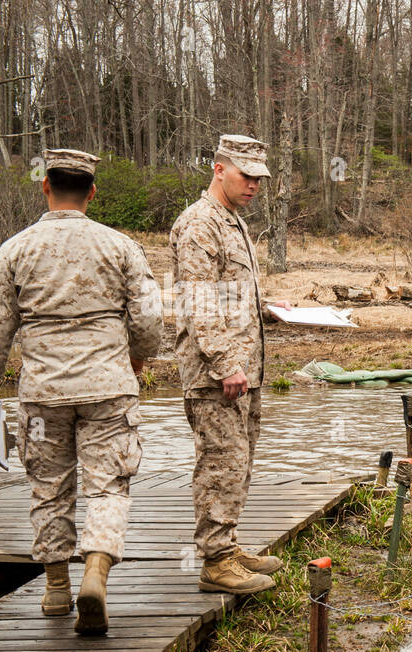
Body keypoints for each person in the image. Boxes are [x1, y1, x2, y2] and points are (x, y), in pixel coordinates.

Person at [0, 149, 162, 633]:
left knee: (48, 489)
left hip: (43, 393)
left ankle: (55, 589)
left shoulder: (13, 251)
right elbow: (149, 320)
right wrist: (137, 359)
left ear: (44, 185)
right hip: (108, 387)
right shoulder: (122, 247)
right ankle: (96, 574)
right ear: (92, 192)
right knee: (109, 483)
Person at [170, 134, 290, 594]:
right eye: (246, 175)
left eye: (260, 177)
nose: (255, 185)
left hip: (243, 369)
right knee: (221, 462)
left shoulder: (231, 221)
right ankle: (215, 562)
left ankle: (228, 544)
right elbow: (199, 303)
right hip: (216, 374)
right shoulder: (200, 224)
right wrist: (224, 363)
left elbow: (226, 293)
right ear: (219, 169)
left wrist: (265, 306)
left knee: (238, 462)